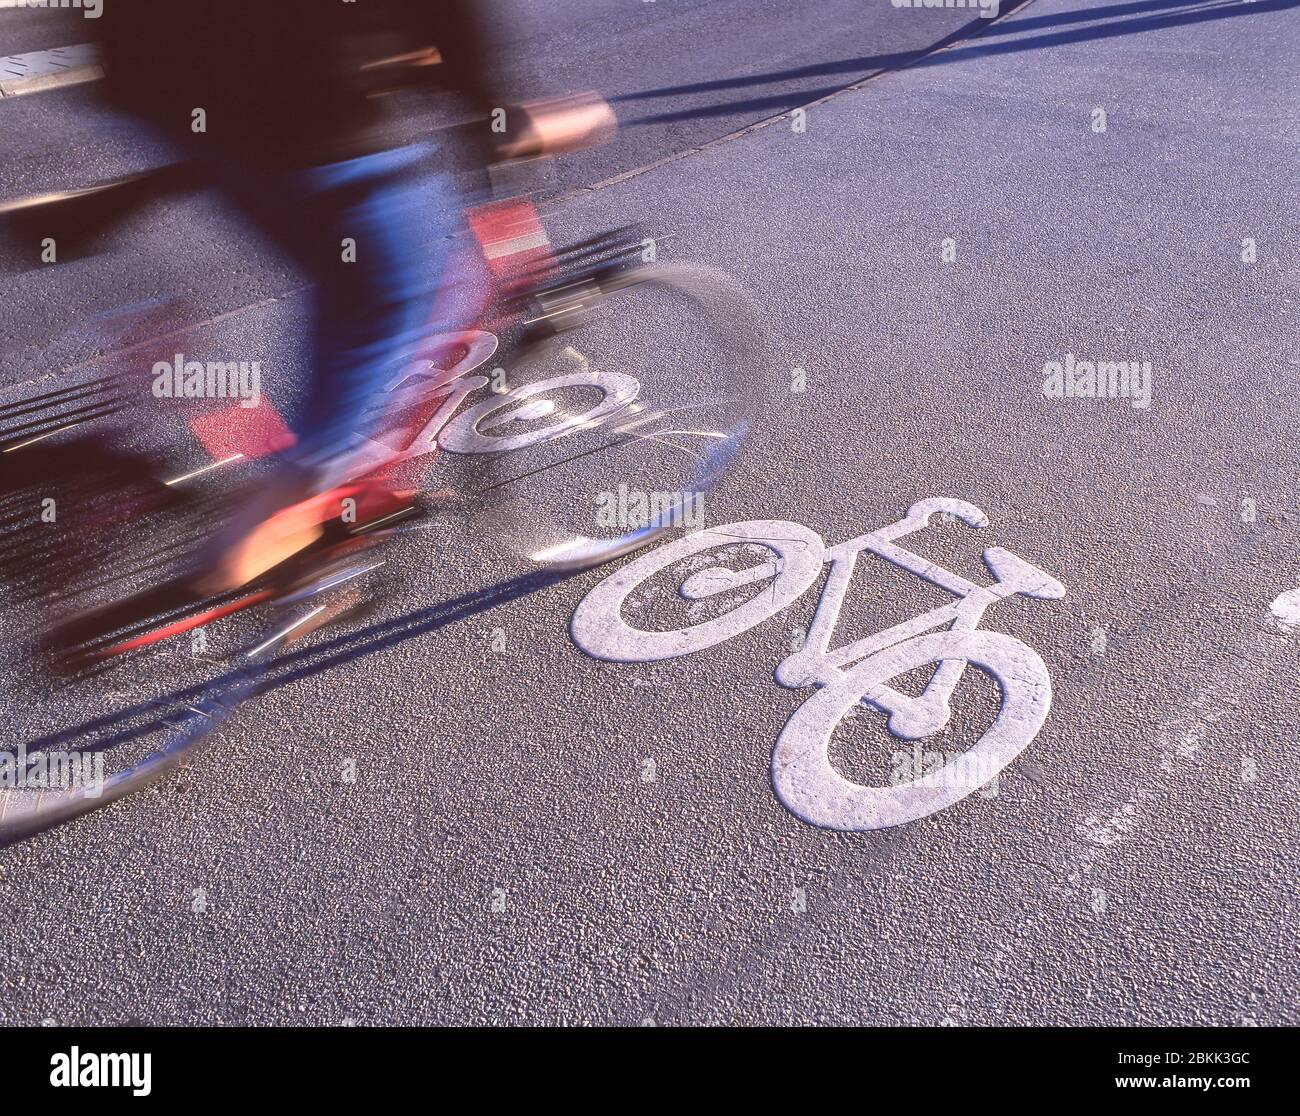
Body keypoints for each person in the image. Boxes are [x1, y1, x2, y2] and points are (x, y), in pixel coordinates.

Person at [78, 0, 613, 593]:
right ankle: (281, 520)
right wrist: (495, 112)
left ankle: (210, 407)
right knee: (385, 291)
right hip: (287, 91)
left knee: (338, 268)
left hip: (160, 71)